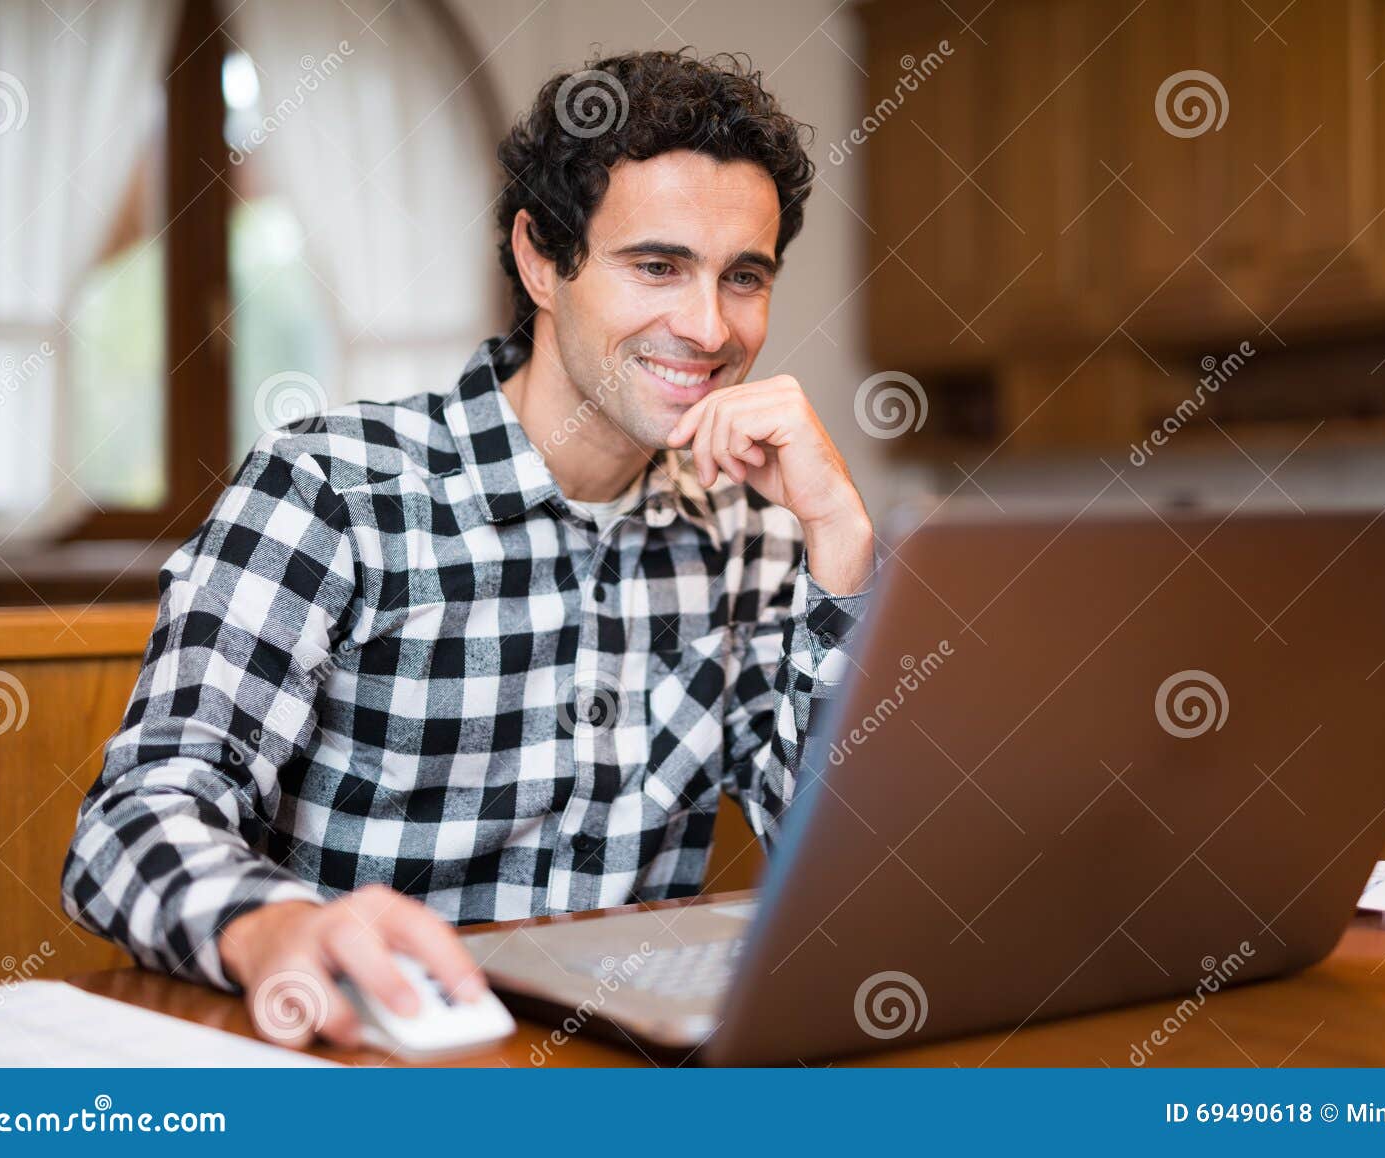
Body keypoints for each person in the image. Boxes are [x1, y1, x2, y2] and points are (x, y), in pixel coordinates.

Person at [62, 49, 873, 1047]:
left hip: (623, 1079)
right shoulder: (333, 491)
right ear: (541, 259)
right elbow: (130, 823)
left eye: (742, 277)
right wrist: (272, 928)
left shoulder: (754, 533)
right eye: (656, 266)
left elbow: (854, 882)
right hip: (374, 1058)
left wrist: (839, 546)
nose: (706, 327)